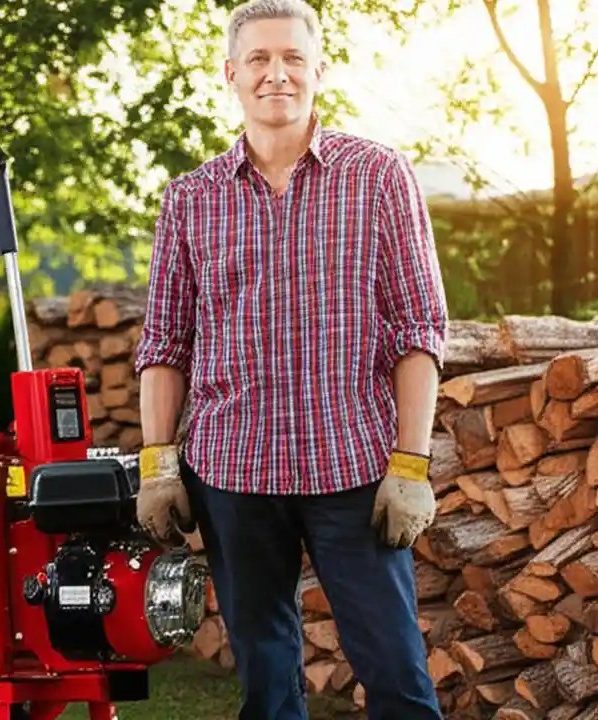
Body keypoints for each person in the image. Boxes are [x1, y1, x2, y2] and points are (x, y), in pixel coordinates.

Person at [132, 1, 448, 719]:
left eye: (293, 58)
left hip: (354, 471)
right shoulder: (190, 200)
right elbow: (165, 343)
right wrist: (158, 465)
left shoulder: (378, 177)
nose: (277, 74)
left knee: (397, 676)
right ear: (231, 74)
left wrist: (410, 466)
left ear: (318, 70)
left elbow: (420, 328)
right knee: (267, 683)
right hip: (233, 474)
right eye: (260, 60)